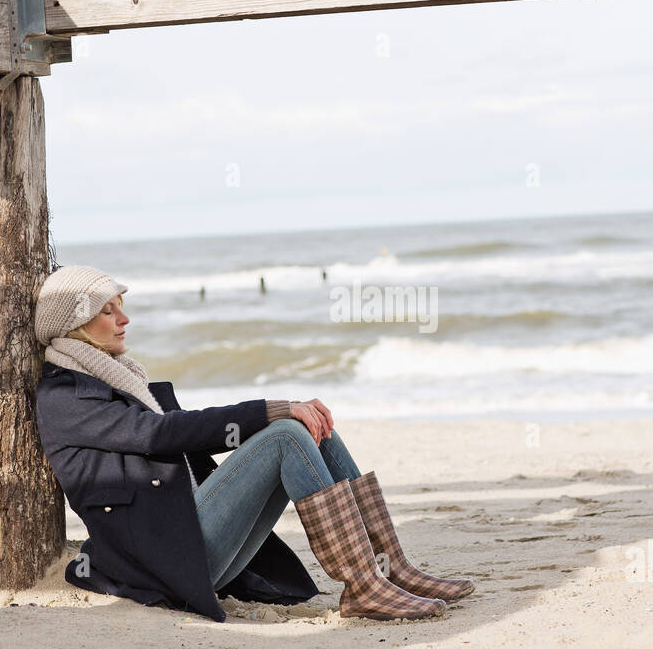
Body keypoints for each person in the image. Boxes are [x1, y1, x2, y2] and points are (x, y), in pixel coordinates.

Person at [32, 264, 473, 622]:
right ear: (74, 324)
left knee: (314, 428)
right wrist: (270, 410)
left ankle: (389, 569)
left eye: (120, 307)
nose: (124, 319)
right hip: (166, 558)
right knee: (285, 434)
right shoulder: (65, 396)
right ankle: (362, 584)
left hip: (184, 534)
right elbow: (158, 434)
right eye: (108, 311)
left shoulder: (118, 378)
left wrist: (288, 408)